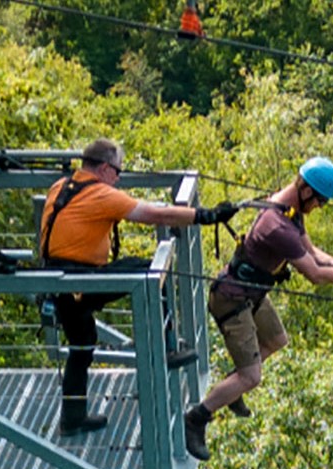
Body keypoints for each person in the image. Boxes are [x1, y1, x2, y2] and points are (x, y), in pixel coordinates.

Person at [39, 138, 240, 436]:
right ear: (105, 169)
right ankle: (166, 346)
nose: (118, 179)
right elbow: (154, 216)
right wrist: (205, 216)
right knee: (151, 270)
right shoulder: (101, 195)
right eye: (117, 172)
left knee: (82, 345)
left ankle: (72, 417)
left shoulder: (61, 187)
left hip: (55, 282)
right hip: (80, 283)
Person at [183, 156, 333, 460]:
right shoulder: (278, 227)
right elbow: (314, 274)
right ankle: (196, 418)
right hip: (232, 300)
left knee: (276, 340)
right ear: (307, 191)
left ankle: (233, 389)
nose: (320, 207)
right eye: (321, 201)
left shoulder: (289, 211)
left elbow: (312, 253)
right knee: (252, 377)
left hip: (252, 294)